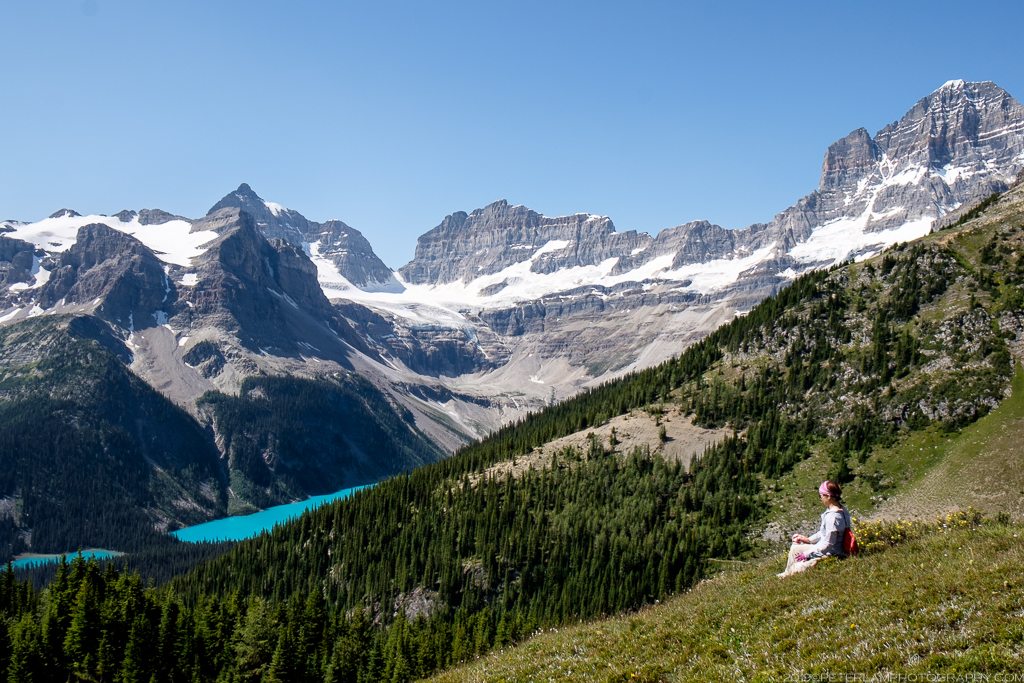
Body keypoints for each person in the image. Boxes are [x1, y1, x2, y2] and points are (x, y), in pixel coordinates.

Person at [777, 480, 851, 578]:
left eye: (821, 496)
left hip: (831, 553)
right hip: (825, 549)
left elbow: (829, 544)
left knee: (797, 567)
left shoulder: (833, 517)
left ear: (829, 496)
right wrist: (809, 540)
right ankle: (787, 573)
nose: (821, 499)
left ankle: (789, 575)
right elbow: (824, 532)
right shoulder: (839, 509)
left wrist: (807, 554)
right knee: (795, 548)